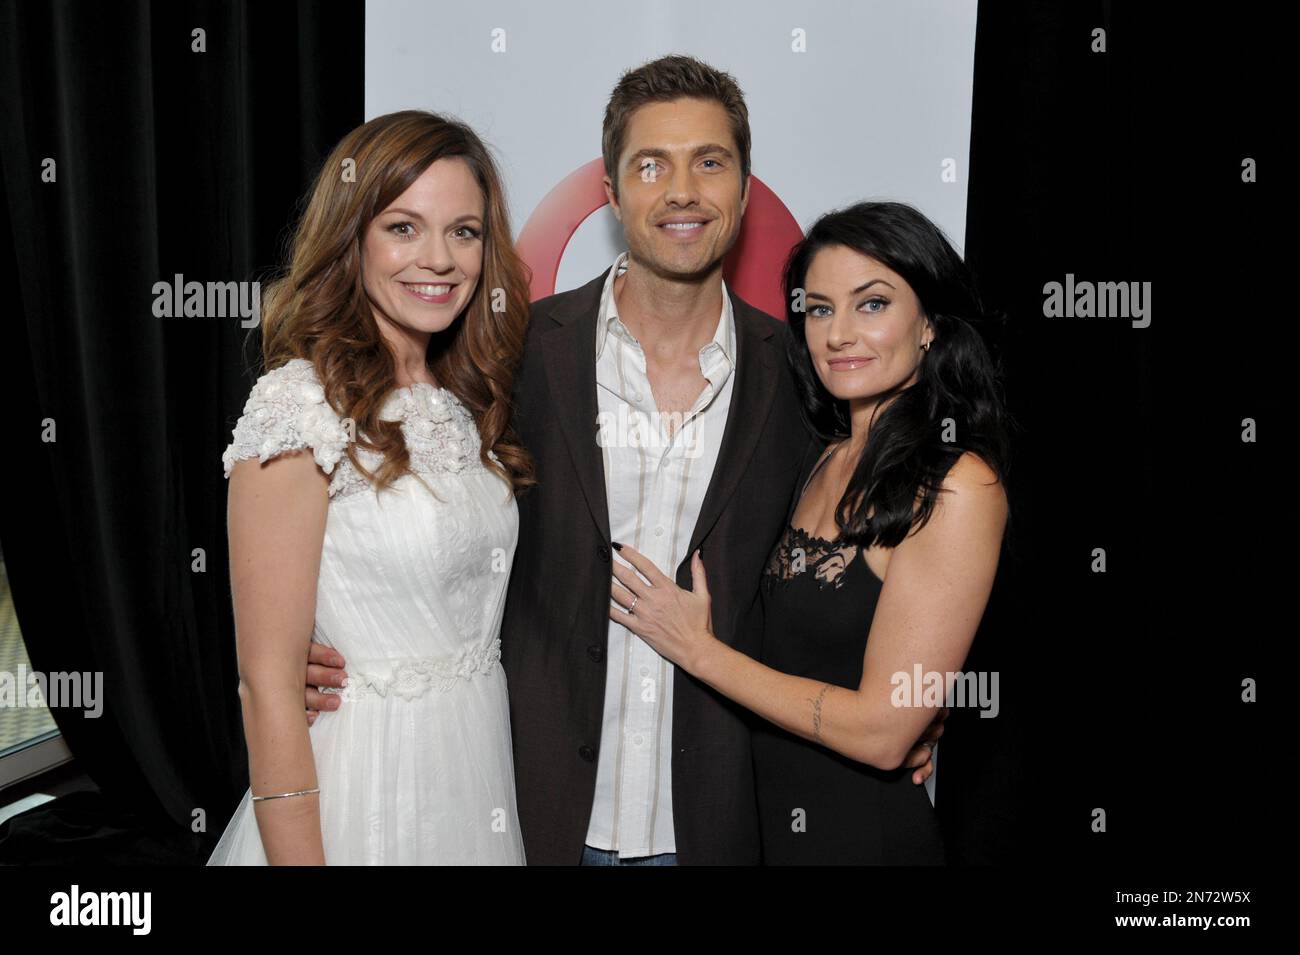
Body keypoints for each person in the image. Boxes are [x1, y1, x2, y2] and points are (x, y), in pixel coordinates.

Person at [304, 56, 942, 865]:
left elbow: (856, 567)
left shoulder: (806, 371)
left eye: (709, 162)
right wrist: (304, 643)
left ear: (745, 192)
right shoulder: (509, 352)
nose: (682, 190)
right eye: (651, 165)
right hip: (527, 813)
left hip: (724, 824)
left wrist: (915, 697)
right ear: (610, 192)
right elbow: (393, 507)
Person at [607, 200, 1012, 863]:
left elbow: (884, 731)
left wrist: (699, 650)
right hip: (761, 831)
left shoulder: (957, 484)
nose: (839, 333)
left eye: (872, 303)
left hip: (860, 840)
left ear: (932, 325)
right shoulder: (819, 454)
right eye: (820, 308)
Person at [208, 110, 534, 865]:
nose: (439, 257)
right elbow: (267, 686)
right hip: (360, 785)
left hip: (472, 775)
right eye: (402, 227)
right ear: (351, 237)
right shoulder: (298, 405)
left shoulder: (469, 396)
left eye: (464, 231)